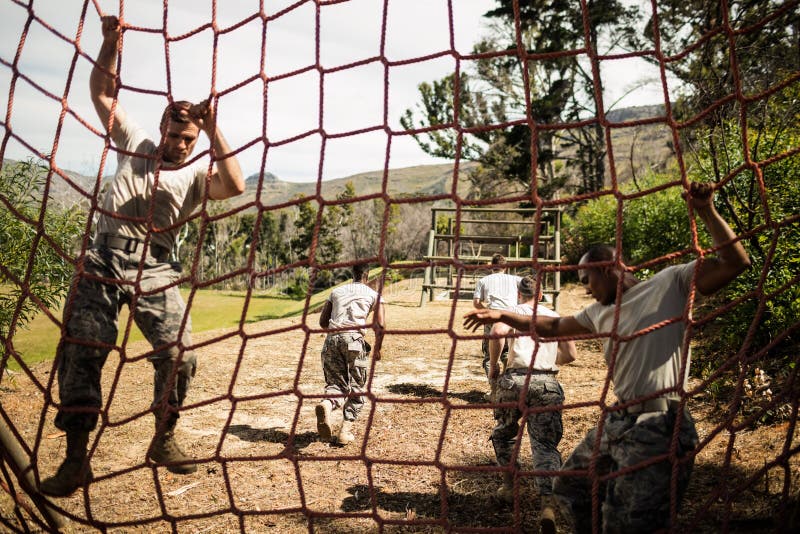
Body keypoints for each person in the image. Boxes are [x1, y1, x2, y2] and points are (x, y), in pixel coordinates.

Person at [464, 182, 750, 532]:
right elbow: (552, 328)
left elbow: (736, 262)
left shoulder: (670, 284)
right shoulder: (599, 312)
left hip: (662, 423)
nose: (585, 287)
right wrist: (502, 316)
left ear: (609, 267)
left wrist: (706, 210)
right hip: (619, 417)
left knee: (631, 521)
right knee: (570, 487)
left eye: (587, 278)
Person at [39, 15, 245, 497]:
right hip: (104, 258)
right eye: (174, 135)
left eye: (188, 140)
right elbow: (102, 94)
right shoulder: (137, 143)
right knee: (83, 348)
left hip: (155, 265)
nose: (178, 145)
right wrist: (110, 44)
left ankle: (164, 436)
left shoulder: (196, 175)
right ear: (162, 128)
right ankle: (75, 458)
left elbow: (234, 185)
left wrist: (214, 131)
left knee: (178, 354)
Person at [488, 275, 576, 534]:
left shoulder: (512, 312)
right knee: (545, 445)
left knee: (504, 435)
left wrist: (494, 365)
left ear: (519, 294)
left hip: (513, 381)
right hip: (546, 383)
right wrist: (548, 360)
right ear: (540, 295)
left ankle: (508, 487)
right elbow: (571, 354)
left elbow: (496, 331)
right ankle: (547, 505)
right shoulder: (554, 315)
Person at [316, 264, 385, 446]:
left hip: (331, 341)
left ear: (351, 274)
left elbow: (323, 321)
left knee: (335, 384)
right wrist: (377, 347)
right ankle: (344, 432)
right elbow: (381, 324)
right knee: (358, 387)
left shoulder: (336, 292)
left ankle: (327, 405)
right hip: (354, 340)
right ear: (366, 275)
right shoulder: (373, 295)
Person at [472, 253, 522, 377]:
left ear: (491, 267)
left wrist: (487, 312)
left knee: (490, 356)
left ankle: (493, 389)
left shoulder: (483, 281)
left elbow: (476, 303)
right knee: (507, 352)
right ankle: (506, 381)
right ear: (506, 267)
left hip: (493, 315)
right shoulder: (516, 279)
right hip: (511, 316)